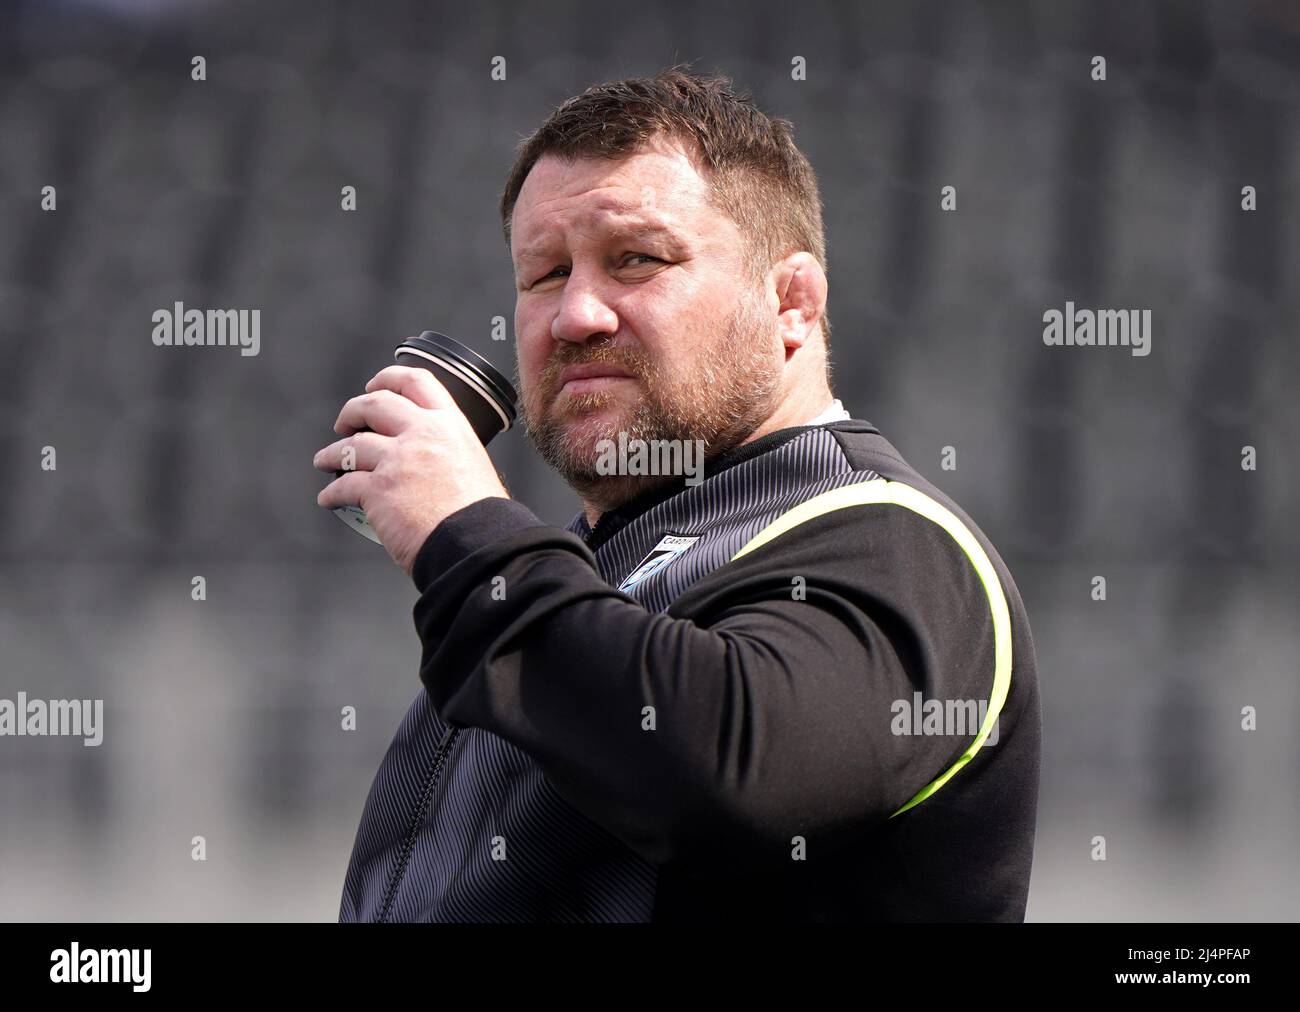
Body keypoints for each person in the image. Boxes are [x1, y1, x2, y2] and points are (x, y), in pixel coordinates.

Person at [314, 66, 1041, 922]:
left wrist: (470, 537)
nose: (578, 314)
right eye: (545, 273)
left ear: (791, 302)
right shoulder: (572, 576)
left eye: (637, 260)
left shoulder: (893, 542)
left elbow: (732, 774)